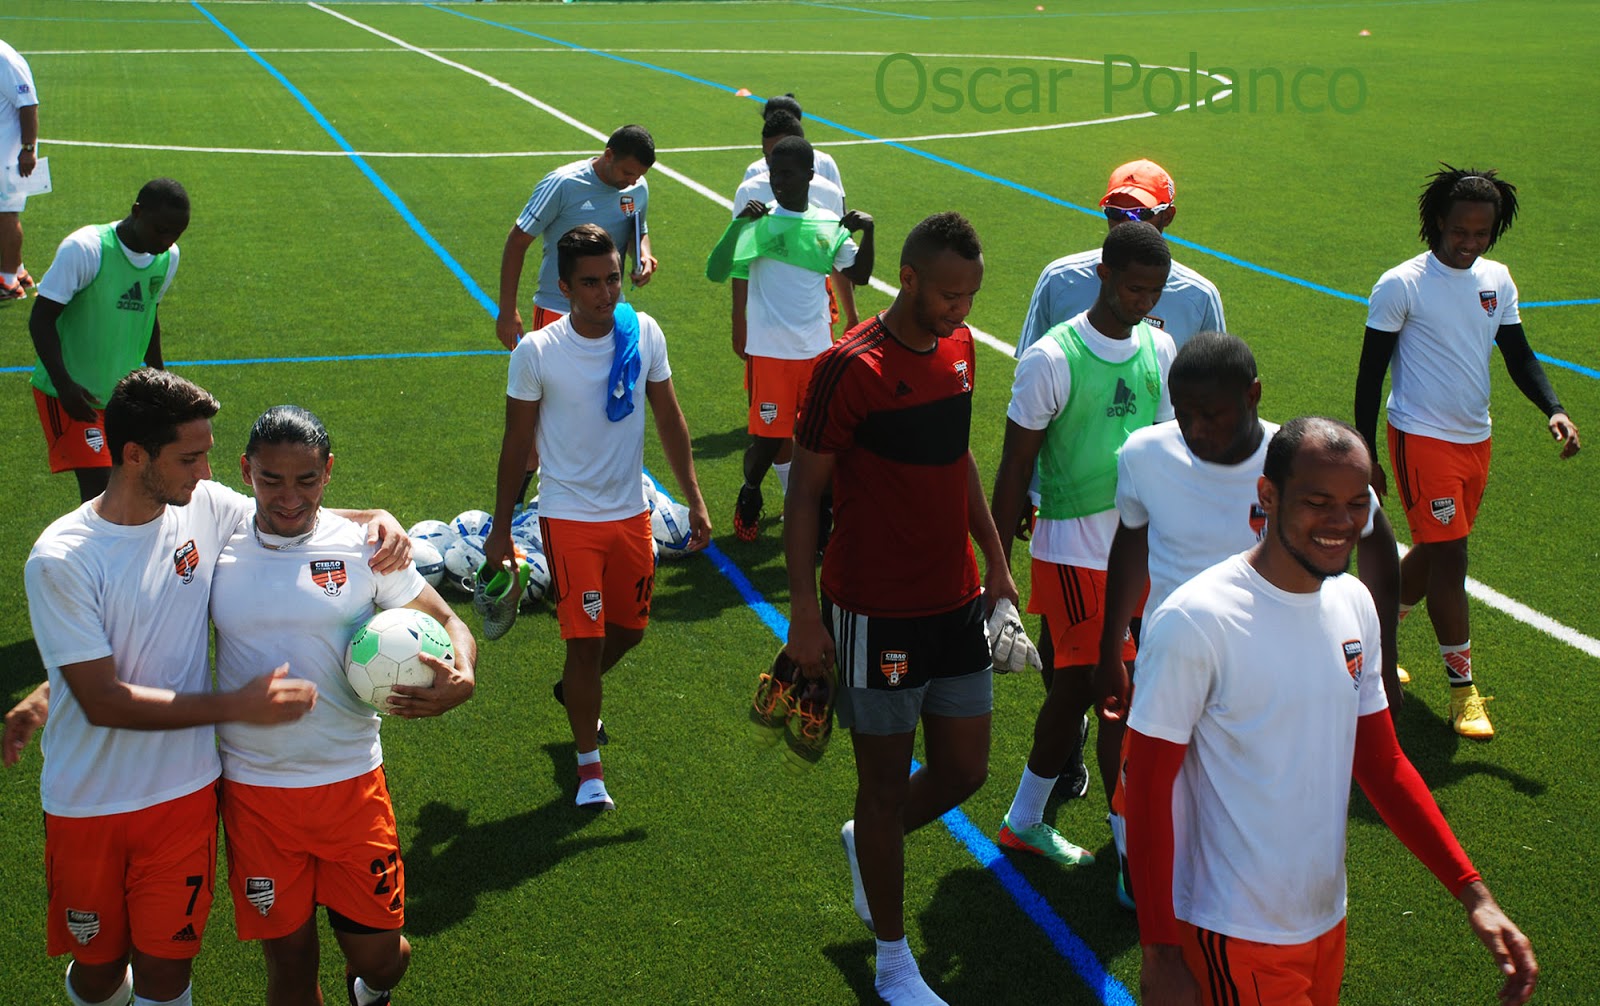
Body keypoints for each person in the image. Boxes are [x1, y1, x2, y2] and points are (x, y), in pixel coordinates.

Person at [14, 368, 409, 1006]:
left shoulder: (200, 506)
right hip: (88, 799)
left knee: (167, 976)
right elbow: (104, 698)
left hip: (186, 791)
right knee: (100, 973)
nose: (206, 474)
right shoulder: (62, 556)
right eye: (191, 458)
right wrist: (235, 705)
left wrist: (377, 518)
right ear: (136, 455)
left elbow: (292, 506)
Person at [1126, 417, 1537, 1006]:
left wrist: (1475, 894)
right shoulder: (1198, 621)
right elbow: (1146, 788)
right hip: (1232, 932)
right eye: (1318, 502)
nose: (1341, 522)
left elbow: (1383, 765)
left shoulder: (1354, 605)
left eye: (1355, 502)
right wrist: (1160, 950)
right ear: (1267, 496)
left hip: (1324, 925)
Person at [785, 212, 1015, 1006]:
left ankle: (867, 843)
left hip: (954, 602)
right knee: (881, 786)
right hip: (874, 612)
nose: (962, 310)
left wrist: (996, 561)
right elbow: (805, 495)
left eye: (972, 296)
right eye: (950, 294)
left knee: (965, 768)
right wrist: (805, 614)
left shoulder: (960, 353)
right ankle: (891, 960)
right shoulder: (847, 369)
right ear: (908, 280)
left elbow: (958, 459)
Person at [1092, 331, 1402, 908]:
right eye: (1184, 415)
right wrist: (1113, 644)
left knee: (1246, 810)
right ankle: (1136, 858)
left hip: (1272, 673)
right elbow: (1131, 543)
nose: (1197, 430)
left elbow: (1378, 543)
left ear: (1254, 394)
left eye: (1212, 414)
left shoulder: (1300, 464)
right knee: (1154, 792)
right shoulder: (1144, 454)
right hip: (1172, 665)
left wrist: (1386, 661)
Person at [211, 405, 476, 1006]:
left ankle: (370, 988)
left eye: (305, 480)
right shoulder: (214, 543)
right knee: (292, 973)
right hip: (257, 793)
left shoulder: (364, 548)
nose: (287, 497)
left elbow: (450, 621)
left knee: (381, 961)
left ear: (328, 472)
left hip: (352, 785)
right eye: (270, 479)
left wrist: (464, 674)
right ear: (245, 471)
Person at [1013, 159, 1225, 796]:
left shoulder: (1194, 299)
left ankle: (1087, 801)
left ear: (1168, 218)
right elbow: (1029, 384)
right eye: (1115, 212)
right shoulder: (1063, 281)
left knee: (1128, 660)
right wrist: (1027, 494)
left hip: (1147, 523)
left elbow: (1205, 401)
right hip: (1069, 517)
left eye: (1139, 213)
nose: (1125, 221)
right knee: (1080, 663)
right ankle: (1120, 827)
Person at [485, 223, 710, 812]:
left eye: (612, 279)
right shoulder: (537, 352)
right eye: (590, 284)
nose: (606, 293)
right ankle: (589, 770)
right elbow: (516, 445)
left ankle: (572, 691)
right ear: (564, 287)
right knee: (585, 645)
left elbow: (670, 420)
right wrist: (500, 530)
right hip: (569, 519)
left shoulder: (644, 334)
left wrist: (695, 497)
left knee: (629, 632)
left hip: (631, 513)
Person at [1355, 165, 1581, 740]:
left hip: (1474, 438)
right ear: (1436, 224)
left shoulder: (1496, 280)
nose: (1469, 242)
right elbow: (1370, 374)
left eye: (1481, 233)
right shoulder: (1401, 284)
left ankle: (1372, 641)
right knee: (1452, 556)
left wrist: (1552, 407)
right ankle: (1464, 690)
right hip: (1419, 437)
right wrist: (1366, 455)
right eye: (1460, 231)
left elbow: (1518, 353)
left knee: (1435, 553)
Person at [986, 221, 1176, 871]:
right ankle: (1131, 854)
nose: (1144, 301)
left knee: (1078, 697)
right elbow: (1013, 470)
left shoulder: (1161, 350)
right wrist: (996, 573)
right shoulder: (1053, 358)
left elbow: (1162, 457)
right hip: (1071, 555)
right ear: (1103, 274)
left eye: (1154, 291)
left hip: (1139, 558)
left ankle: (1024, 821)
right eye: (1133, 287)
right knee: (1111, 698)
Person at [708, 135, 874, 541]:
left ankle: (821, 518)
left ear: (809, 175)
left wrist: (868, 232)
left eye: (787, 173)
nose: (777, 180)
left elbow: (860, 275)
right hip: (770, 354)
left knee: (819, 441)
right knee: (768, 443)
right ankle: (750, 493)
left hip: (817, 354)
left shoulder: (825, 223)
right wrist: (736, 226)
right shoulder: (760, 222)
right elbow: (717, 269)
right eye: (773, 172)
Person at [496, 125, 658, 507]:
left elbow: (639, 228)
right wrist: (507, 309)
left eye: (638, 176)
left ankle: (591, 495)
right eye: (626, 173)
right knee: (542, 423)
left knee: (598, 413)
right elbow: (518, 239)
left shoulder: (635, 188)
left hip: (608, 315)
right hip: (557, 311)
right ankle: (517, 510)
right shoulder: (563, 185)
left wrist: (644, 255)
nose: (631, 181)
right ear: (608, 155)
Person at [29, 178, 190, 503]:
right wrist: (64, 385)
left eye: (176, 233)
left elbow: (148, 317)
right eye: (160, 229)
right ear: (136, 212)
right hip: (74, 396)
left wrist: (161, 376)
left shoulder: (167, 257)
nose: (167, 239)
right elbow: (40, 319)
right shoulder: (86, 249)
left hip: (122, 399)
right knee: (103, 494)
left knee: (139, 488)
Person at [732, 108, 858, 332]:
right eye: (767, 156)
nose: (771, 164)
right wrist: (739, 321)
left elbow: (836, 256)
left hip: (814, 316)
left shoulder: (828, 192)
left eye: (777, 153)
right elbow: (740, 262)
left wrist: (852, 314)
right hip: (766, 319)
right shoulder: (749, 189)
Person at [0, 36, 39, 302]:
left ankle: (9, 283)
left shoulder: (4, 59)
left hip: (10, 151)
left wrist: (27, 149)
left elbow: (29, 104)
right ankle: (19, 271)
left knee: (6, 214)